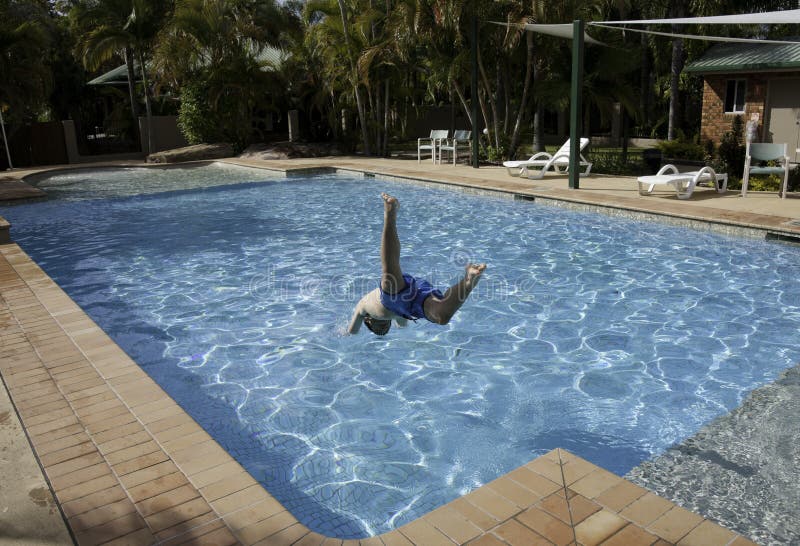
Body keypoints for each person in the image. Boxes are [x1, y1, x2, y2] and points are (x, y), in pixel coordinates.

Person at [348, 193, 486, 336]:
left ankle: (390, 213)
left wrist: (344, 334)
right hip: (412, 304)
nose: (382, 330)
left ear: (368, 321)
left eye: (377, 329)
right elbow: (403, 327)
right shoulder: (398, 319)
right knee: (442, 317)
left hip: (390, 297)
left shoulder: (362, 308)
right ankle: (469, 280)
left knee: (389, 270)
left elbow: (351, 331)